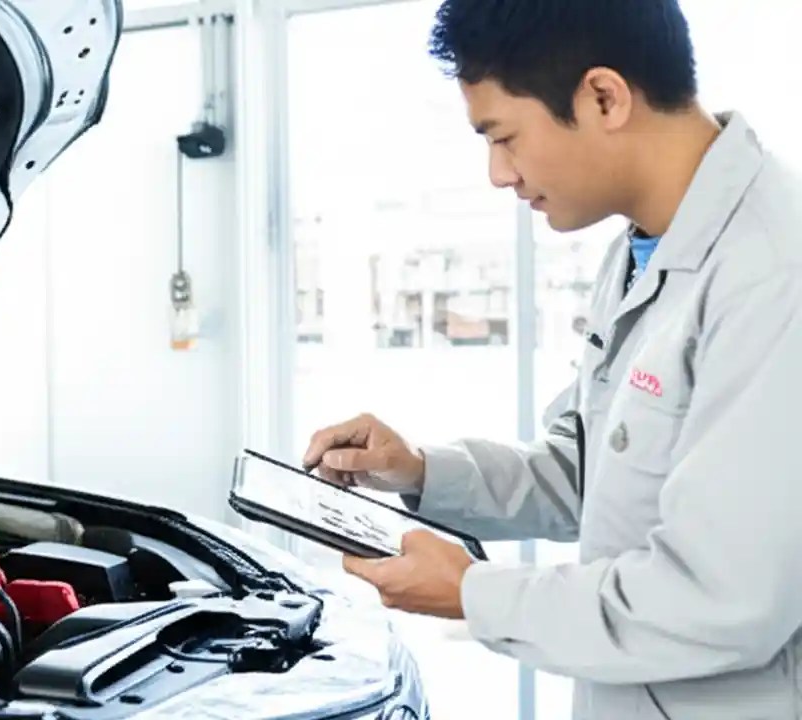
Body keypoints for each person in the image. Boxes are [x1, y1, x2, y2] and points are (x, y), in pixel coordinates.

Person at [302, 0, 802, 718]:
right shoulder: (644, 247)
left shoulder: (774, 272)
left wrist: (473, 594)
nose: (498, 174)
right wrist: (419, 469)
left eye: (503, 136)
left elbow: (724, 599)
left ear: (604, 96)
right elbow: (588, 471)